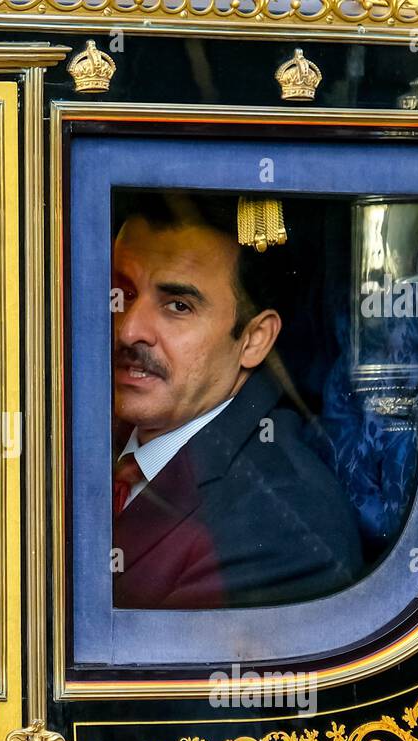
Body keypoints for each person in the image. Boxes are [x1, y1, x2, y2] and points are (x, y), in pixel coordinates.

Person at [111, 191, 362, 610]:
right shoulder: (80, 425)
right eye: (122, 295)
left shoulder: (288, 528)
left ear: (254, 340)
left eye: (177, 305)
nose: (128, 330)